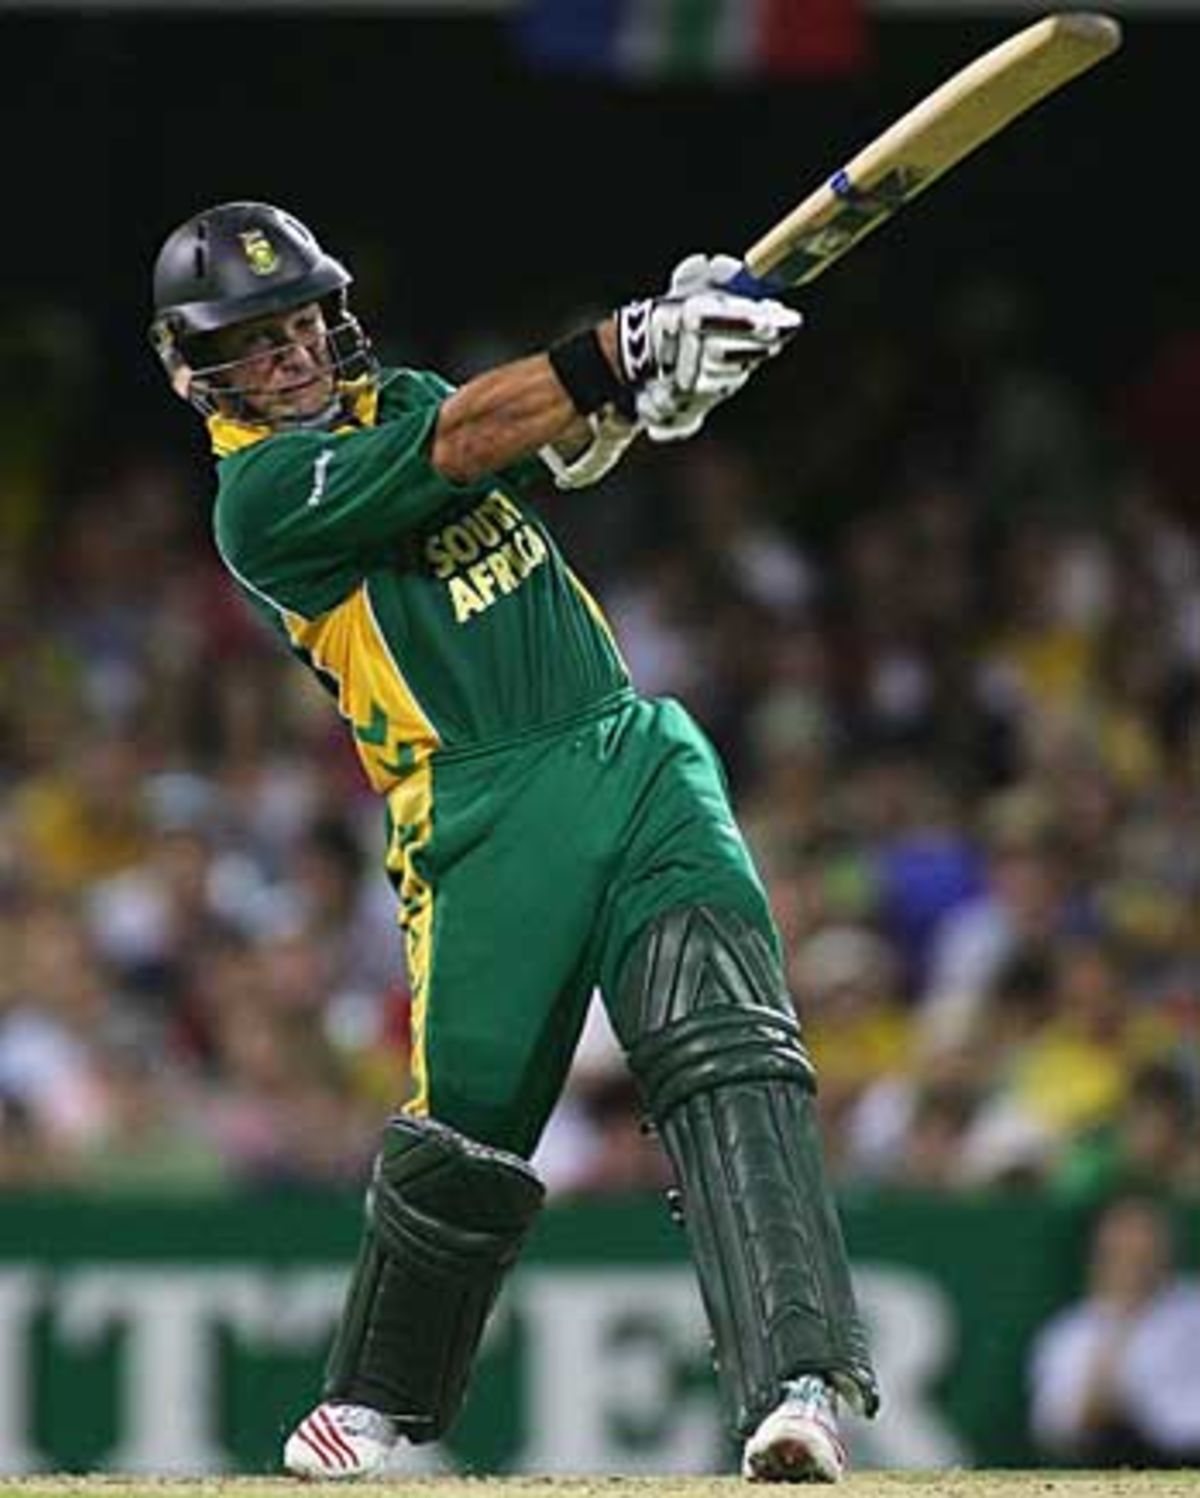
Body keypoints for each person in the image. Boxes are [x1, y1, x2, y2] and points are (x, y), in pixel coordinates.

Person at [148, 200, 879, 1482]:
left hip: (626, 748)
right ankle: (369, 1402)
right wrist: (623, 348)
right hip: (480, 813)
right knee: (472, 1127)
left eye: (305, 320)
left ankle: (800, 1387)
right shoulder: (260, 501)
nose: (297, 354)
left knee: (731, 1050)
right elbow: (467, 439)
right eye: (258, 342)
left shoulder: (405, 393)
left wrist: (662, 389)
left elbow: (546, 450)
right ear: (197, 368)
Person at [1027, 1192, 1200, 1466]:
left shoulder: (1193, 1311)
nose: (1134, 1259)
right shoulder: (1072, 1331)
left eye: (1145, 1248)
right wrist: (1119, 1325)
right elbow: (1059, 1426)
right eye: (1122, 1251)